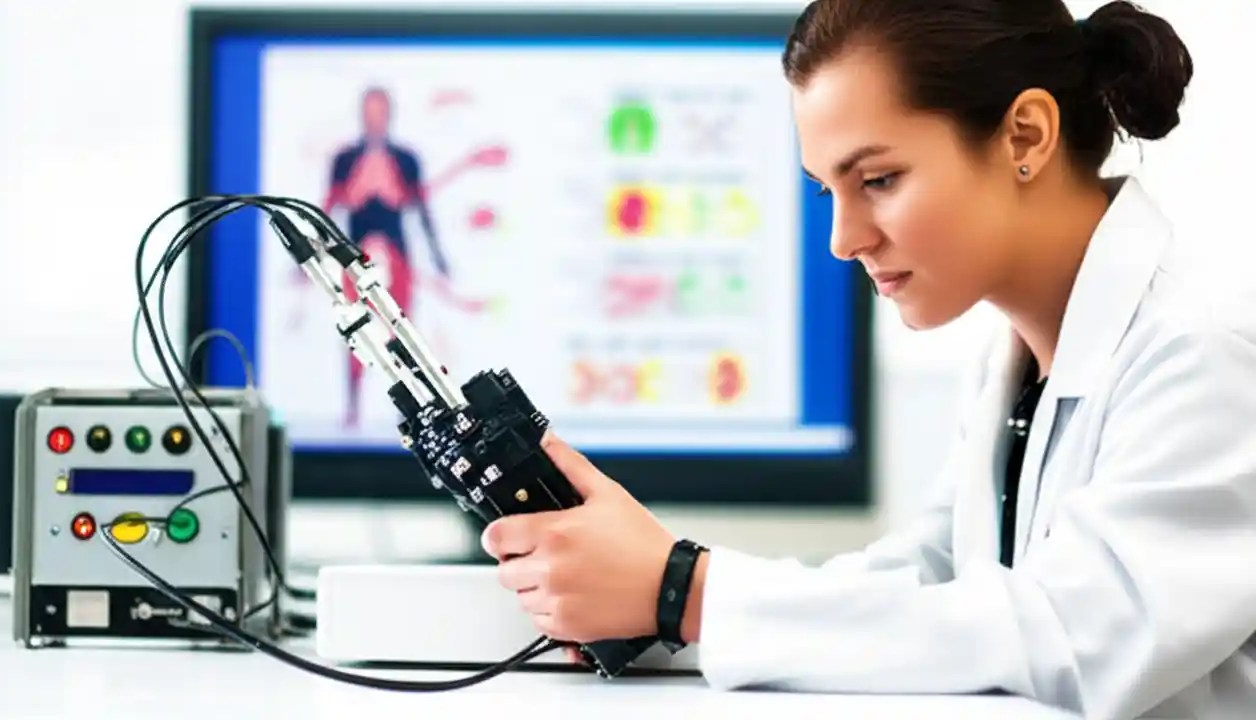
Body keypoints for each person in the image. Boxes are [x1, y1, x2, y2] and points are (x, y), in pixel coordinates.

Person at [478, 2, 1256, 719]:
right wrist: (659, 584)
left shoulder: (1205, 348)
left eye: (878, 180)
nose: (843, 240)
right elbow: (926, 577)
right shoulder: (1015, 357)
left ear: (1025, 136)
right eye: (827, 193)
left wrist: (688, 591)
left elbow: (1081, 638)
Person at [325, 86, 451, 428]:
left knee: (403, 330)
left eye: (380, 111)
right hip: (355, 253)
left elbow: (421, 208)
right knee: (355, 329)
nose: (375, 119)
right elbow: (329, 206)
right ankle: (352, 409)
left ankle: (410, 408)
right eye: (370, 111)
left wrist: (438, 257)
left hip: (396, 252)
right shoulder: (346, 159)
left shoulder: (406, 159)